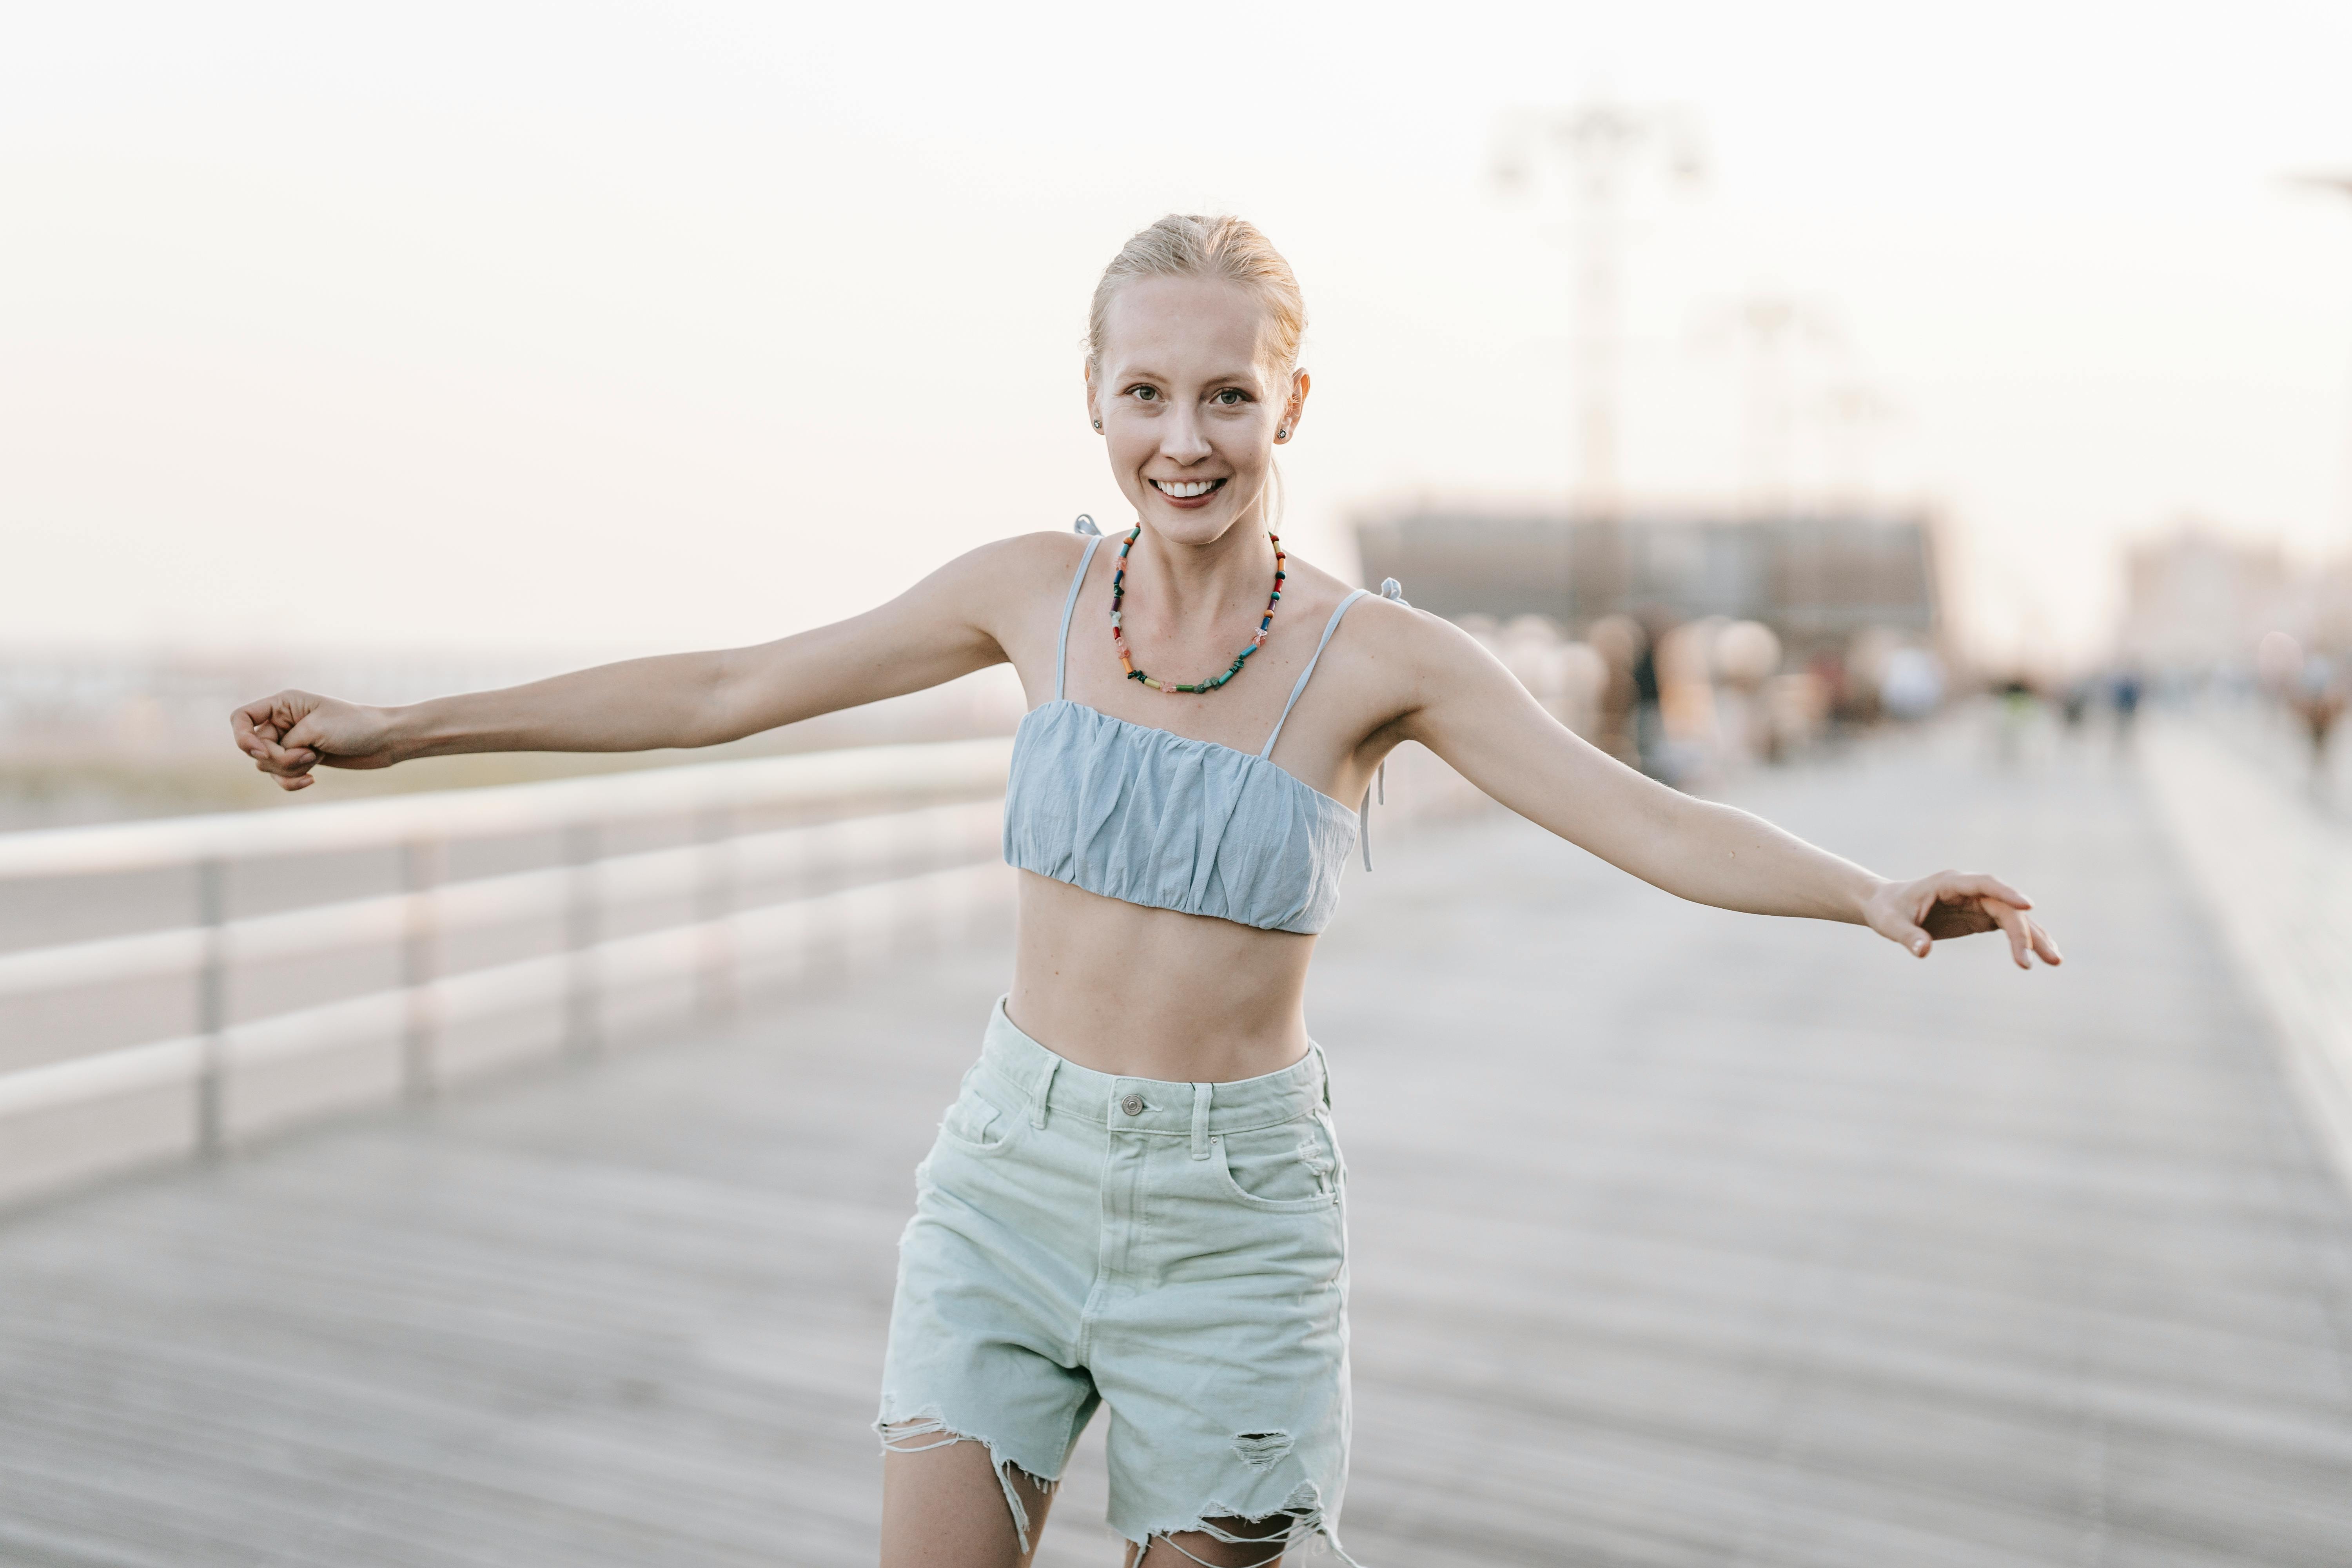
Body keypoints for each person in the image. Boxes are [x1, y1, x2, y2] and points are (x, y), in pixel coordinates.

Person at [229, 215, 2062, 1568]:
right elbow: (723, 689)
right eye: (1144, 393)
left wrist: (1872, 889)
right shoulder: (1032, 590)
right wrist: (405, 728)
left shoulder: (1376, 657)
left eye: (1226, 395)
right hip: (1006, 1179)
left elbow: (1632, 814)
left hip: (1234, 1221)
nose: (1182, 438)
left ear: (1292, 402)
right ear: (1095, 399)